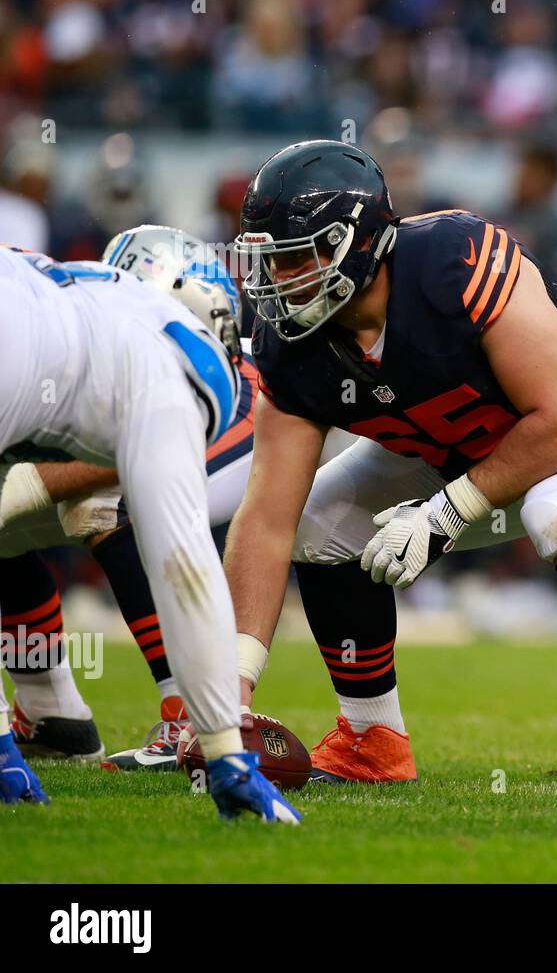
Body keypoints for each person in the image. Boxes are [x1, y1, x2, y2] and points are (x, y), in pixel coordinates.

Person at [226, 139, 557, 798]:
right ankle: (372, 740)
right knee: (321, 524)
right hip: (472, 450)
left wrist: (443, 513)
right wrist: (230, 686)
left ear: (359, 242)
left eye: (294, 258)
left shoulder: (451, 261)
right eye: (269, 260)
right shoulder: (291, 345)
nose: (277, 281)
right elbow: (265, 520)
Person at [0, 225, 354, 771]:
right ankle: (50, 707)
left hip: (246, 433)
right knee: (13, 531)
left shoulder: (168, 357)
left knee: (110, 500)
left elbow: (118, 459)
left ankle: (183, 714)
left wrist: (19, 491)